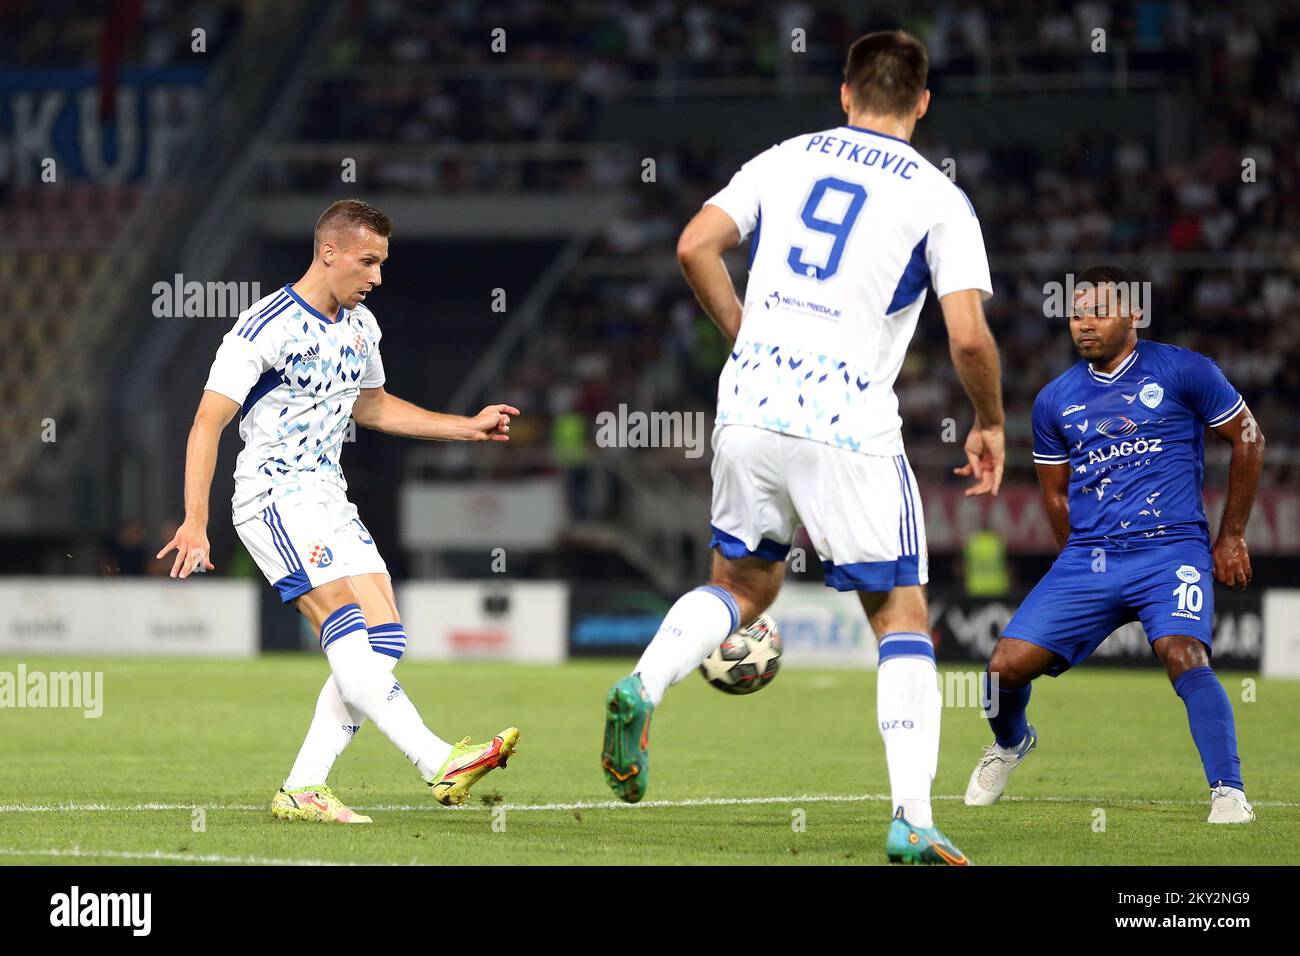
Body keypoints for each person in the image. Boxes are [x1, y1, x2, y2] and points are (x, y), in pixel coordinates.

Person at [600, 31, 1005, 864]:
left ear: (845, 93)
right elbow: (968, 339)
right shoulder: (939, 198)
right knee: (900, 616)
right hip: (848, 420)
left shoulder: (782, 158)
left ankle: (644, 682)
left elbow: (692, 245)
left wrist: (745, 335)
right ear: (922, 102)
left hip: (749, 401)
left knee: (743, 580)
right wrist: (990, 419)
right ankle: (912, 818)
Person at [159, 199, 521, 823]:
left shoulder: (362, 327)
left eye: (382, 263)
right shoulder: (261, 327)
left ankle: (304, 788)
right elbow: (206, 422)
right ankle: (438, 760)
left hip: (329, 497)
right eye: (368, 261)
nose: (378, 277)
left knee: (384, 638)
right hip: (274, 496)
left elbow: (374, 408)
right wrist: (196, 519)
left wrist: (466, 427)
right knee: (348, 629)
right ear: (329, 253)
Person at [964, 265, 1263, 824]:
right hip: (1090, 556)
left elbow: (1248, 438)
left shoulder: (1185, 371)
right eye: (1076, 313)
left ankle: (1229, 792)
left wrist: (1232, 535)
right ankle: (1010, 744)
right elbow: (1054, 496)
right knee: (1000, 669)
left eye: (1098, 311)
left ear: (1135, 314)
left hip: (1170, 550)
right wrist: (1074, 566)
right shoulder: (1055, 400)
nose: (1084, 324)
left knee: (1185, 656)